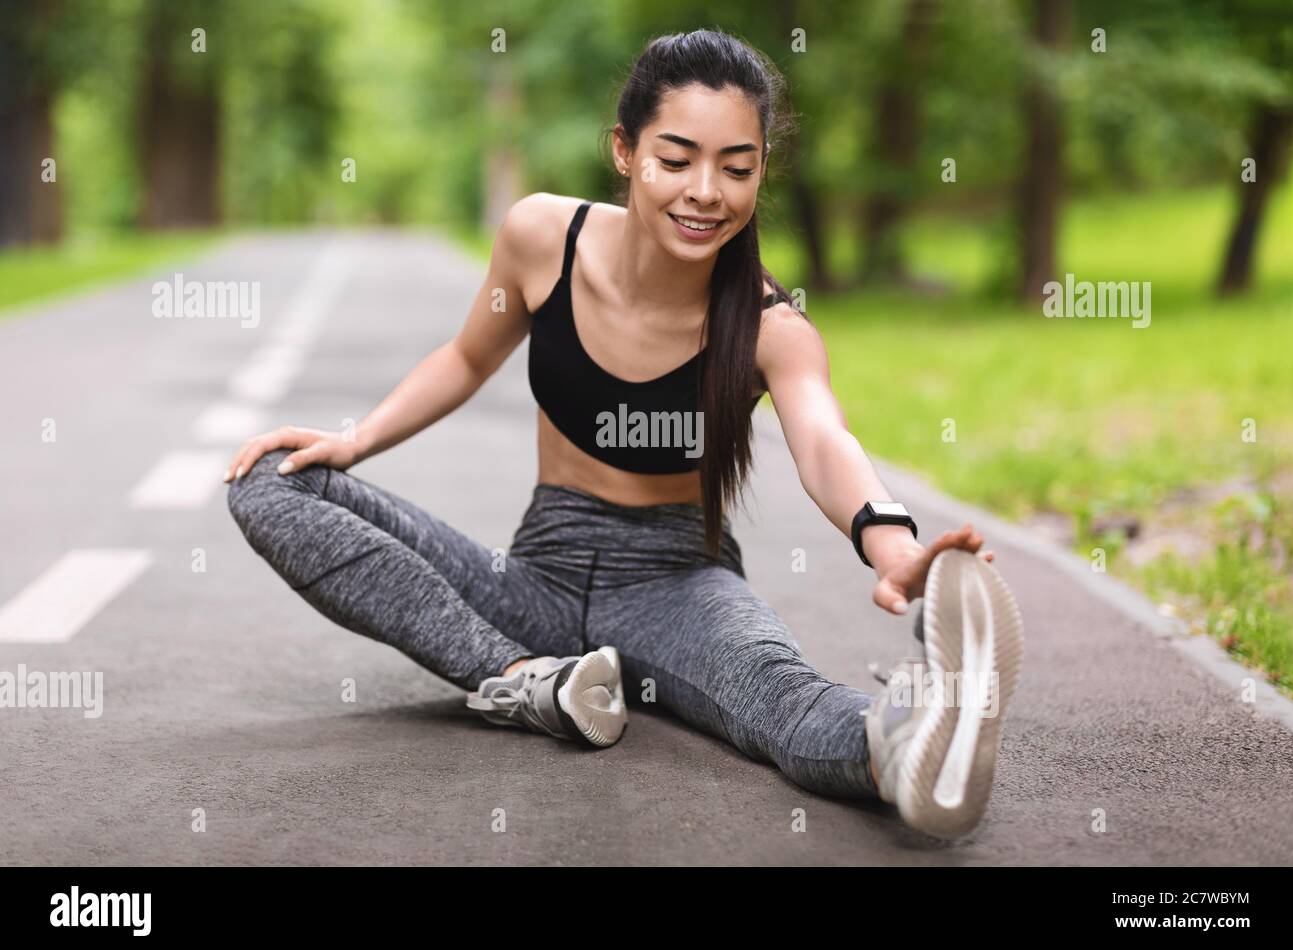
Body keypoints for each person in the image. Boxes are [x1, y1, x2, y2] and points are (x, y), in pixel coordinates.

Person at [224, 29, 1024, 840]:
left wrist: (894, 547)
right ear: (624, 150)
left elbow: (823, 442)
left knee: (777, 698)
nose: (705, 191)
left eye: (736, 168)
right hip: (532, 579)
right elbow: (467, 358)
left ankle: (908, 740)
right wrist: (354, 441)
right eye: (676, 160)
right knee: (271, 482)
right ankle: (526, 678)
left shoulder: (772, 327)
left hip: (677, 584)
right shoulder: (543, 238)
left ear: (759, 174)